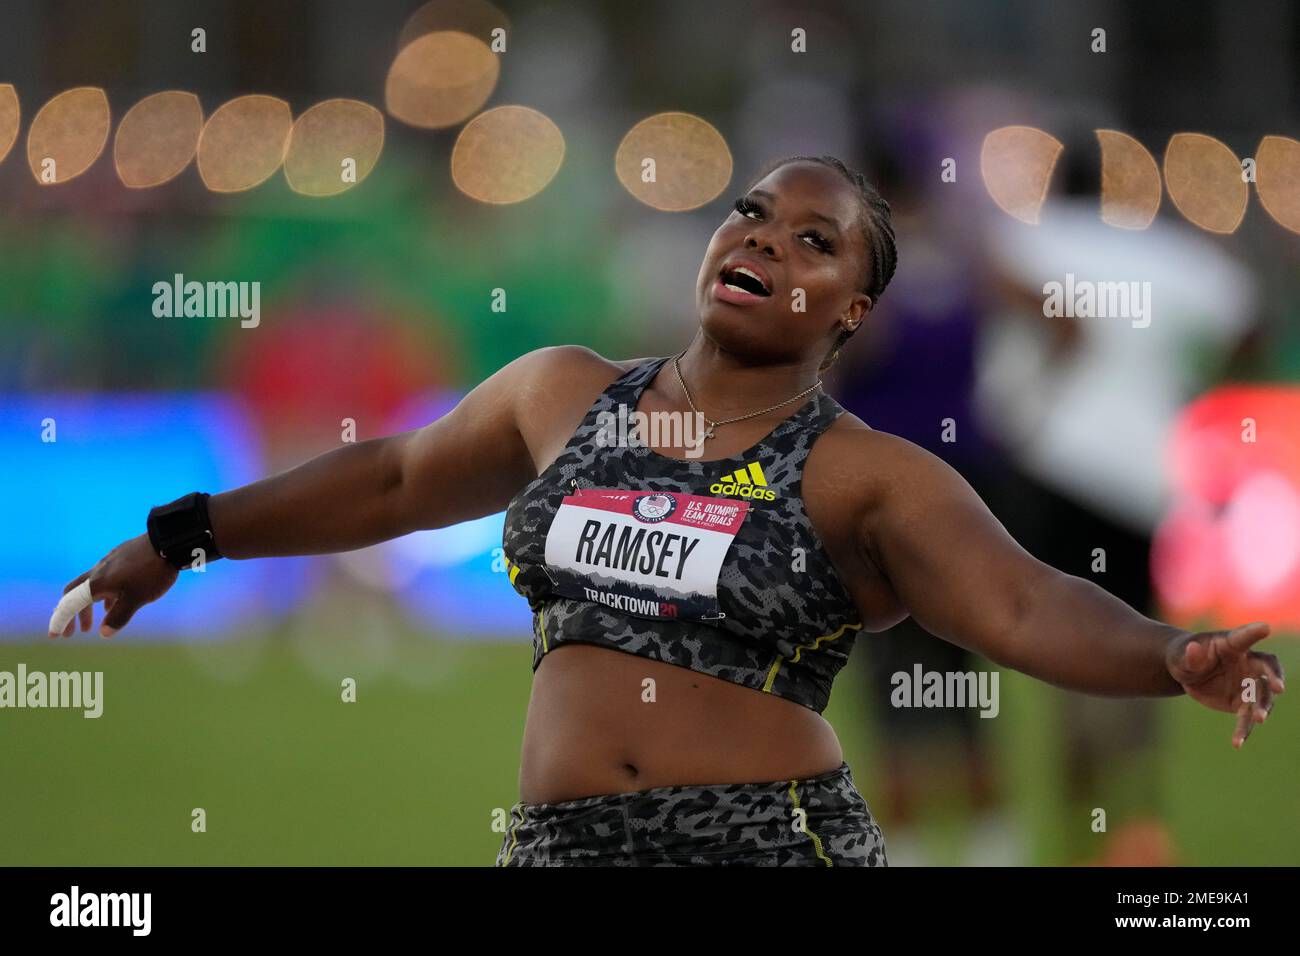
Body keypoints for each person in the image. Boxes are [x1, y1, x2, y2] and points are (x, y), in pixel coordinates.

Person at [48, 156, 1285, 867]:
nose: (763, 238)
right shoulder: (561, 393)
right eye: (751, 212)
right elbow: (388, 478)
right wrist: (181, 535)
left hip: (765, 842)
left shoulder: (865, 475)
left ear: (850, 312)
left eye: (815, 242)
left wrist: (1170, 654)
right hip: (555, 846)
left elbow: (1020, 600)